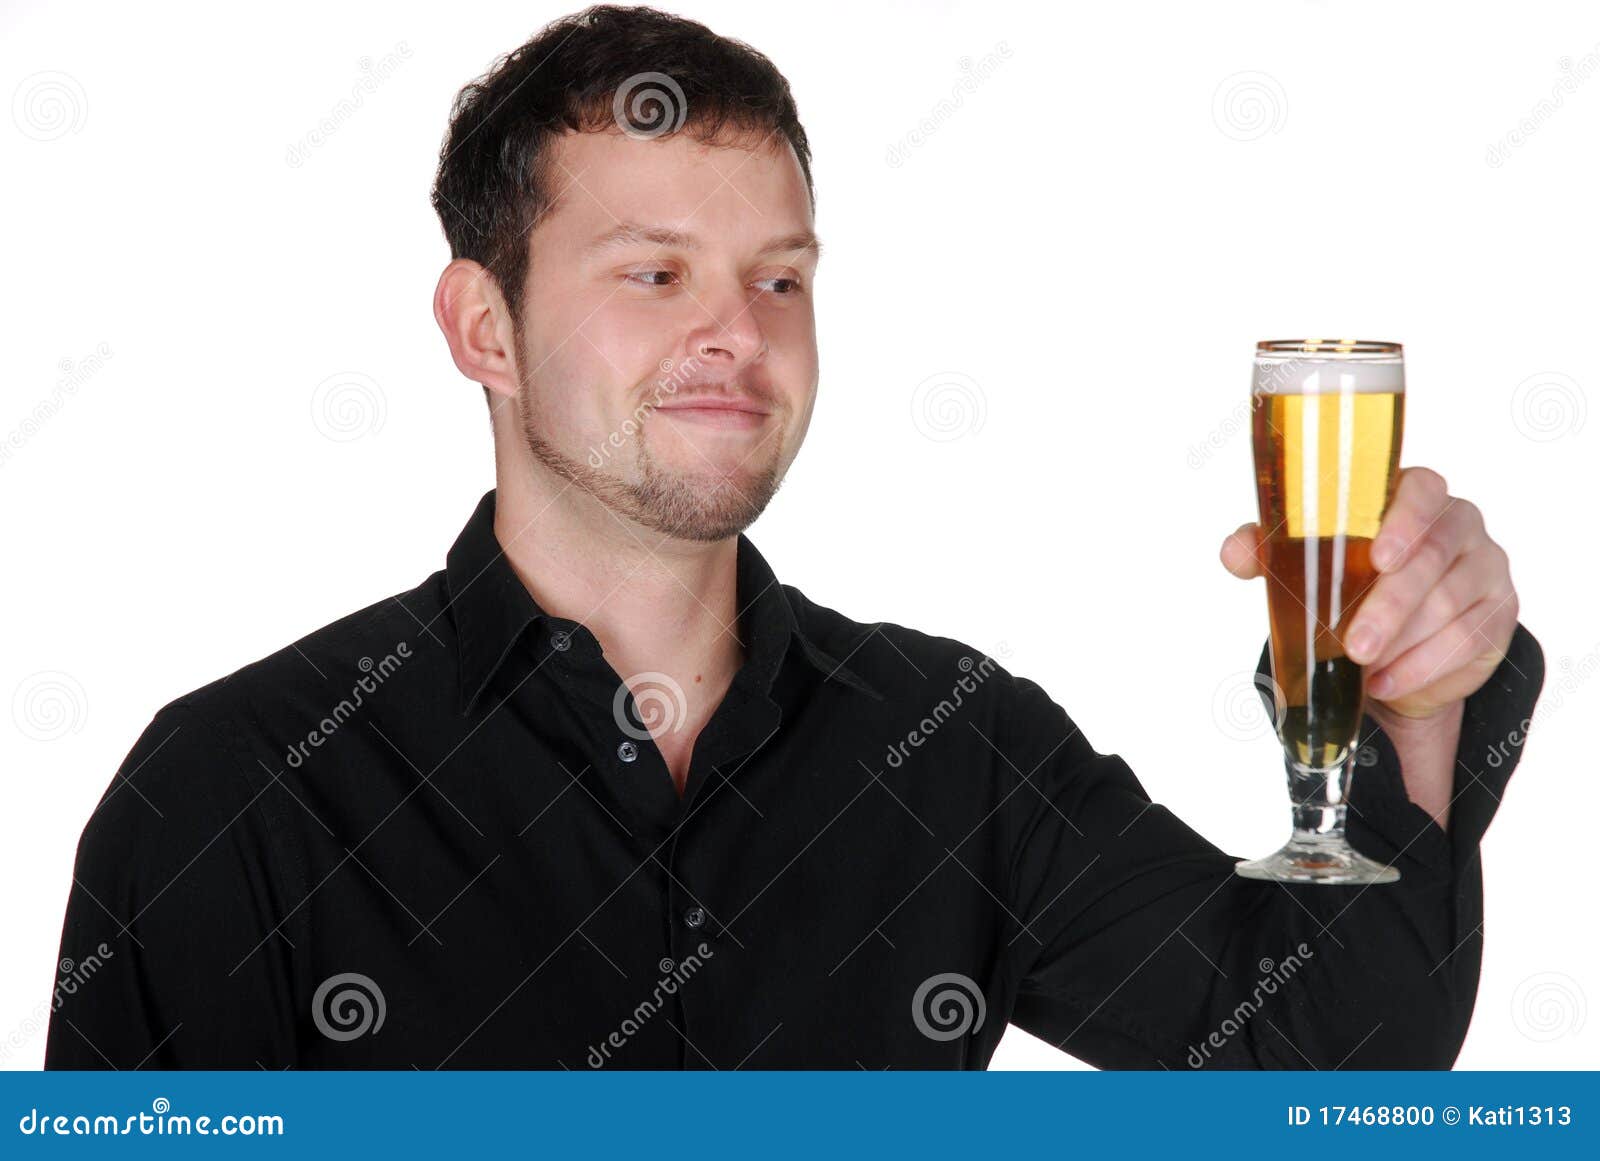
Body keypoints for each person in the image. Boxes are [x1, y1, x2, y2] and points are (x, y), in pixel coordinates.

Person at [46, 5, 1543, 1070]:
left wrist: (1417, 706)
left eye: (778, 280)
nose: (731, 333)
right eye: (652, 272)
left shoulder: (955, 747)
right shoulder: (232, 796)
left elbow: (1321, 1070)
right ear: (482, 328)